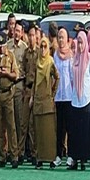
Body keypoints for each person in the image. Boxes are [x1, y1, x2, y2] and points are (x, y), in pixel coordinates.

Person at [67, 31, 90, 171]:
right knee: (75, 132)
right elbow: (72, 79)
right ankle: (75, 159)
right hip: (75, 100)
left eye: (81, 42)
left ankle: (84, 159)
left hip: (85, 99)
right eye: (78, 42)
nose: (79, 45)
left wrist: (88, 92)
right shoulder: (74, 60)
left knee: (85, 131)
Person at [0, 27, 20, 169]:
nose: (1, 49)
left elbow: (17, 75)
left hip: (8, 93)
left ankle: (14, 155)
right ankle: (2, 155)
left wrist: (7, 73)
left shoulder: (11, 56)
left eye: (3, 46)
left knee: (11, 126)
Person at [33, 37, 59, 169]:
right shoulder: (37, 62)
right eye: (41, 47)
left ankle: (50, 158)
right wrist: (32, 97)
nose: (43, 49)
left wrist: (52, 94)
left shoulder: (50, 62)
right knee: (39, 132)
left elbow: (57, 77)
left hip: (47, 101)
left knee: (49, 132)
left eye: (45, 47)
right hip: (38, 100)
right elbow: (34, 81)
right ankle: (39, 158)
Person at [7, 20, 28, 164]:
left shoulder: (24, 48)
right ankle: (11, 151)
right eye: (15, 30)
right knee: (10, 121)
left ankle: (20, 151)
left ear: (22, 33)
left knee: (20, 120)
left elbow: (26, 68)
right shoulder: (7, 46)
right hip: (8, 86)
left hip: (19, 85)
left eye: (19, 31)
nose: (16, 33)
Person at [53, 27, 74, 166]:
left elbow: (72, 76)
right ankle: (58, 155)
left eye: (63, 37)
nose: (61, 40)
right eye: (59, 37)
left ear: (67, 39)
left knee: (69, 127)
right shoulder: (55, 54)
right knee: (59, 127)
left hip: (69, 96)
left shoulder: (71, 55)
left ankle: (71, 155)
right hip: (58, 96)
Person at [21, 24, 40, 165]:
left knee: (34, 126)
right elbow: (22, 71)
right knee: (23, 123)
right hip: (26, 89)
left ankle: (34, 153)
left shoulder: (39, 53)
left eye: (33, 35)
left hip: (36, 90)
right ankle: (21, 153)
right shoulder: (26, 53)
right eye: (30, 35)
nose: (31, 38)